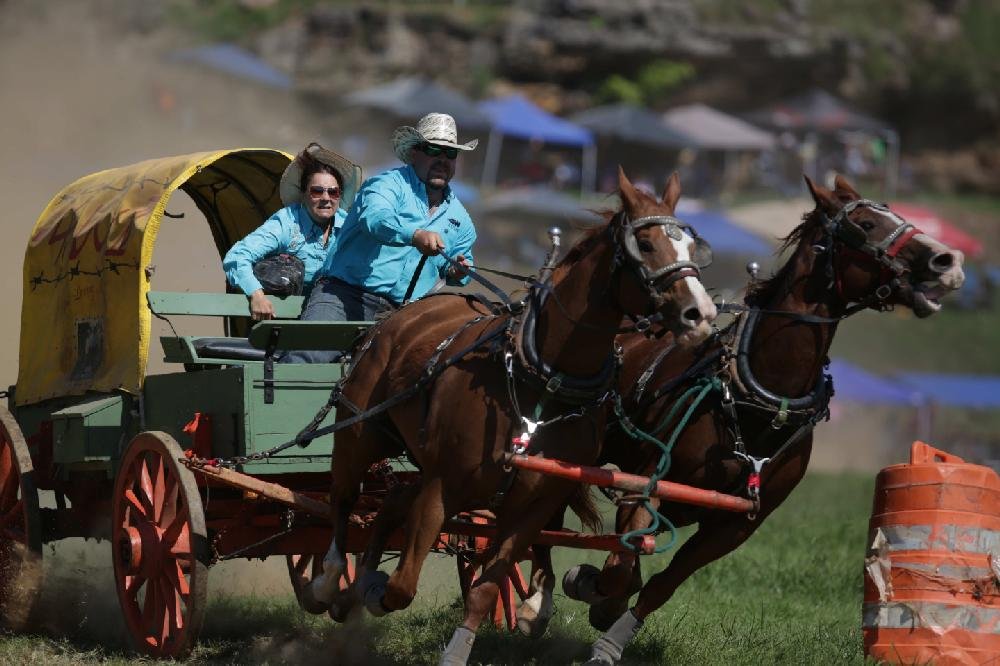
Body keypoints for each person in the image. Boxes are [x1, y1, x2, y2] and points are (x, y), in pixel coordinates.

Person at [283, 112, 478, 363]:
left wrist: (458, 271)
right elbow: (376, 220)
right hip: (344, 296)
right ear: (415, 153)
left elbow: (455, 265)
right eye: (434, 150)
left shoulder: (461, 220)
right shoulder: (386, 185)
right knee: (307, 359)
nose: (442, 159)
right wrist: (415, 235)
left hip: (403, 314)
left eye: (450, 153)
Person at [222, 143, 361, 321]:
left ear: (339, 196)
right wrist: (257, 296)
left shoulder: (350, 225)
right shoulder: (286, 222)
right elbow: (237, 256)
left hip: (335, 315)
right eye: (317, 191)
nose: (326, 198)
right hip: (285, 320)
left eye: (333, 192)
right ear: (303, 193)